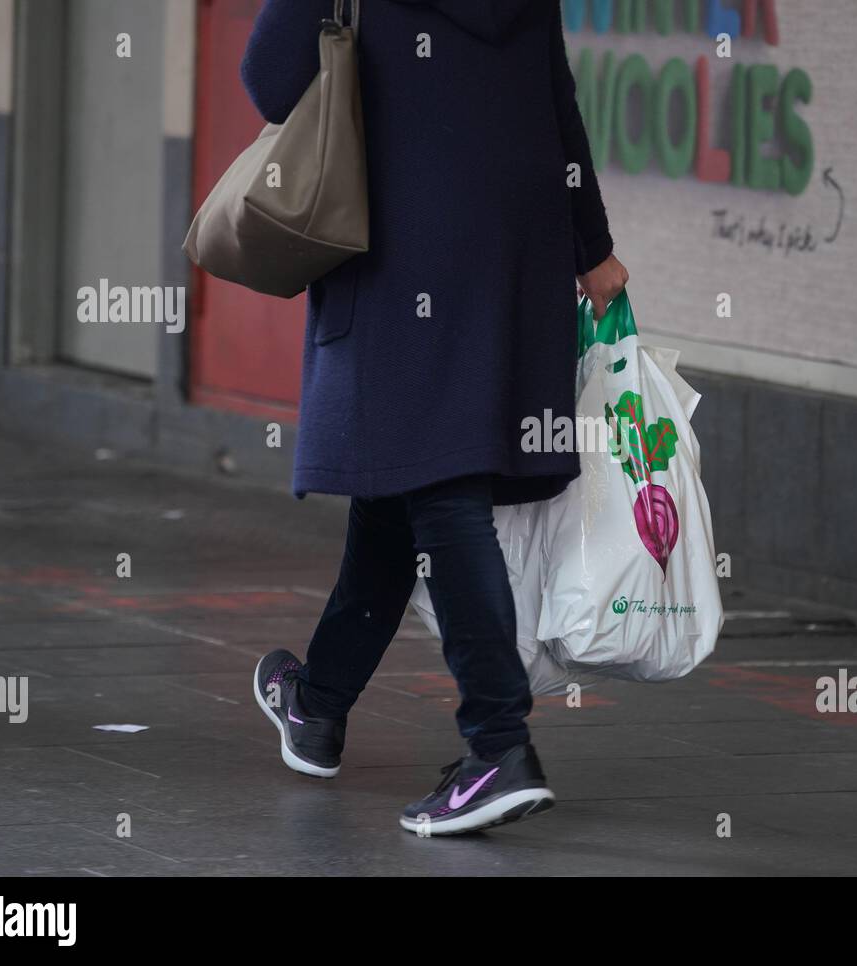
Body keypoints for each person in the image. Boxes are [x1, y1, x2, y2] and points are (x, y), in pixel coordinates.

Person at [242, 0, 627, 835]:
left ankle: (499, 745)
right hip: (511, 247)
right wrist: (591, 245)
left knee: (442, 488)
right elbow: (557, 97)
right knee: (405, 470)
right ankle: (317, 702)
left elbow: (271, 80)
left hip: (400, 240)